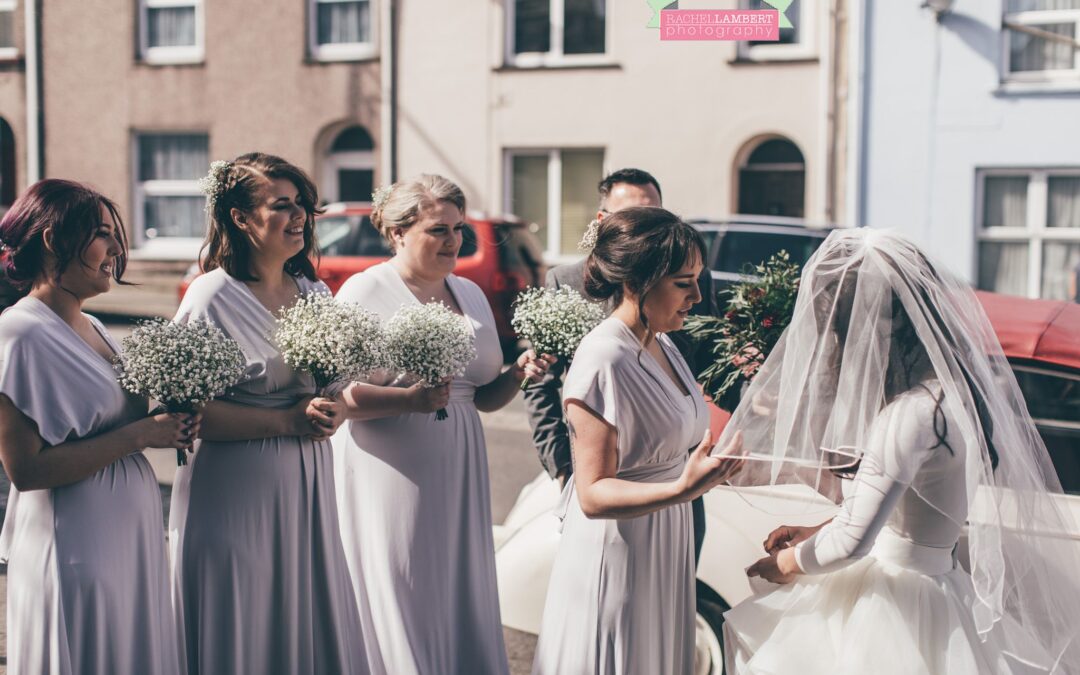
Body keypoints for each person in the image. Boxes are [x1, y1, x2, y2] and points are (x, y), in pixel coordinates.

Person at [720, 228, 1080, 673]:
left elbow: (853, 542)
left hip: (893, 604)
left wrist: (787, 563)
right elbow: (901, 514)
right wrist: (817, 530)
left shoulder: (912, 413)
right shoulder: (949, 395)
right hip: (937, 587)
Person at [332, 174, 552, 675]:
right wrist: (410, 400)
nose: (452, 241)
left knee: (454, 583)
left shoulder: (470, 293)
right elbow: (338, 394)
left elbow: (481, 398)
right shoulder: (365, 291)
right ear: (397, 233)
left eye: (457, 230)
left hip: (460, 463)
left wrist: (519, 372)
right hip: (390, 467)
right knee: (403, 584)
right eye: (438, 230)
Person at [170, 153, 369, 674]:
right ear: (240, 217)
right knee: (246, 621)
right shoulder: (211, 297)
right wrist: (288, 421)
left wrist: (335, 413)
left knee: (302, 617)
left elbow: (338, 391)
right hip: (236, 490)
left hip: (306, 484)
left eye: (302, 203)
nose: (300, 215)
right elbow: (186, 416)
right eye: (282, 205)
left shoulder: (314, 293)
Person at [531, 206, 744, 675]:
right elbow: (592, 492)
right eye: (683, 283)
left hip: (666, 535)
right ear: (640, 281)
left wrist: (716, 466)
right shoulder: (605, 356)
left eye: (698, 280)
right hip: (622, 547)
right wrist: (683, 490)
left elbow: (675, 443)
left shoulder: (664, 343)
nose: (697, 295)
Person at [0, 179, 195, 674]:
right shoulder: (20, 334)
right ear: (51, 241)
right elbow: (26, 469)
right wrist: (142, 435)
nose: (116, 250)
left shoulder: (96, 327)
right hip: (76, 544)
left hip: (128, 536)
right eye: (102, 235)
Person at [523, 168, 716, 558]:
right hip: (615, 497)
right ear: (604, 223)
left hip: (679, 486)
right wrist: (564, 470)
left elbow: (711, 361)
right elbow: (542, 386)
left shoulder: (667, 336)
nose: (693, 294)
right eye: (635, 218)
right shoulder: (572, 296)